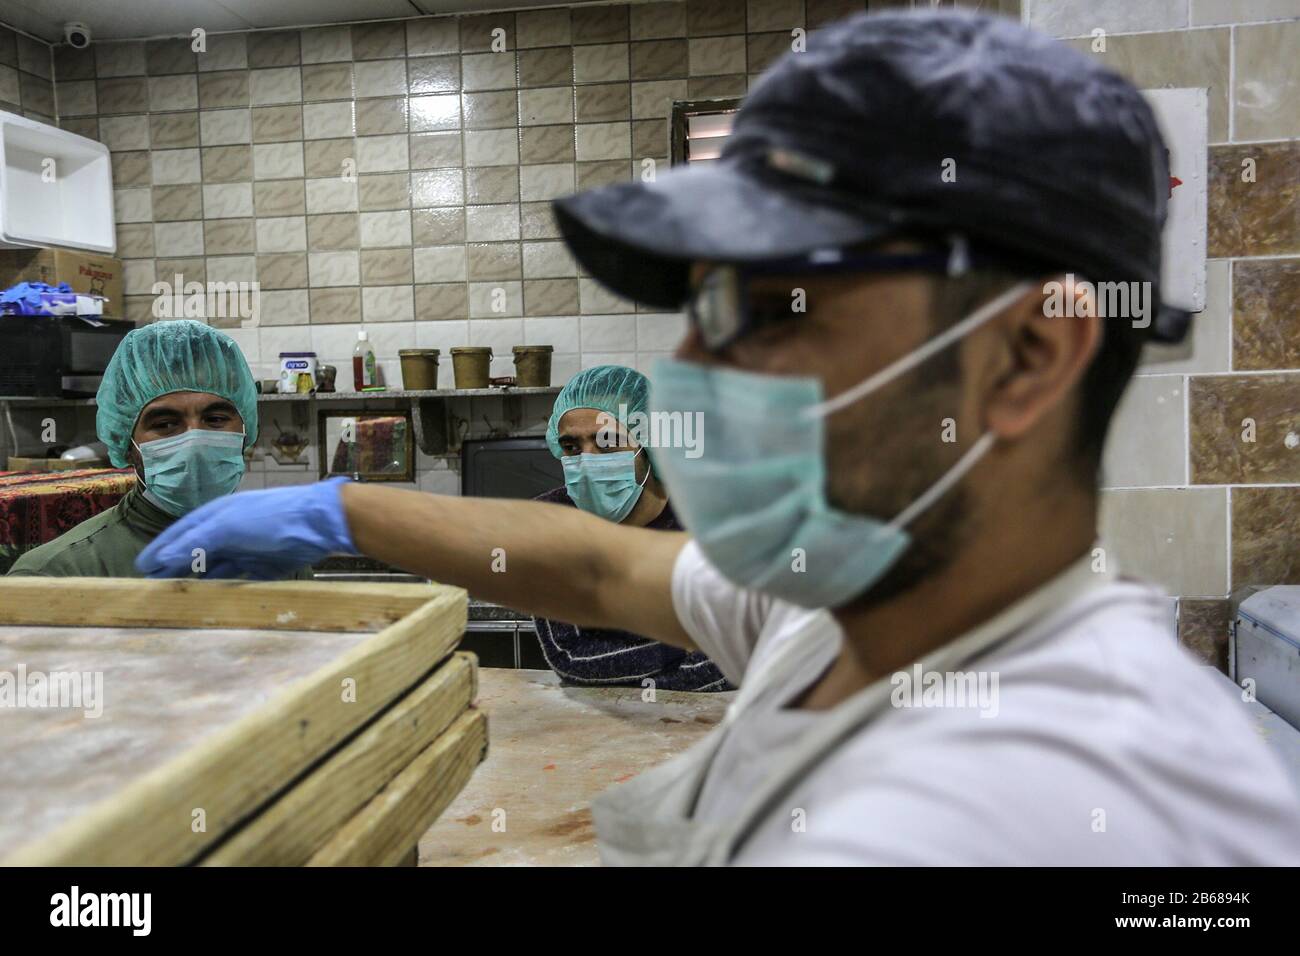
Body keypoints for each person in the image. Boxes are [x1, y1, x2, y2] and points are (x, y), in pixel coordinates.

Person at [137, 10, 1300, 865]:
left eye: (769, 306)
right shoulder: (857, 608)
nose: (695, 369)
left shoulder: (1014, 805)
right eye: (698, 306)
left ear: (1030, 354)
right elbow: (598, 561)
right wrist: (332, 510)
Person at [9, 320, 306, 580]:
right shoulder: (57, 574)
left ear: (245, 432)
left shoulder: (283, 556)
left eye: (215, 419)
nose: (195, 441)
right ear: (127, 444)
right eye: (165, 424)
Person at [534, 365, 729, 691]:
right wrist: (685, 656)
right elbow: (572, 659)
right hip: (598, 723)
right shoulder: (550, 524)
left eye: (607, 442)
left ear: (650, 444)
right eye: (571, 447)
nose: (587, 460)